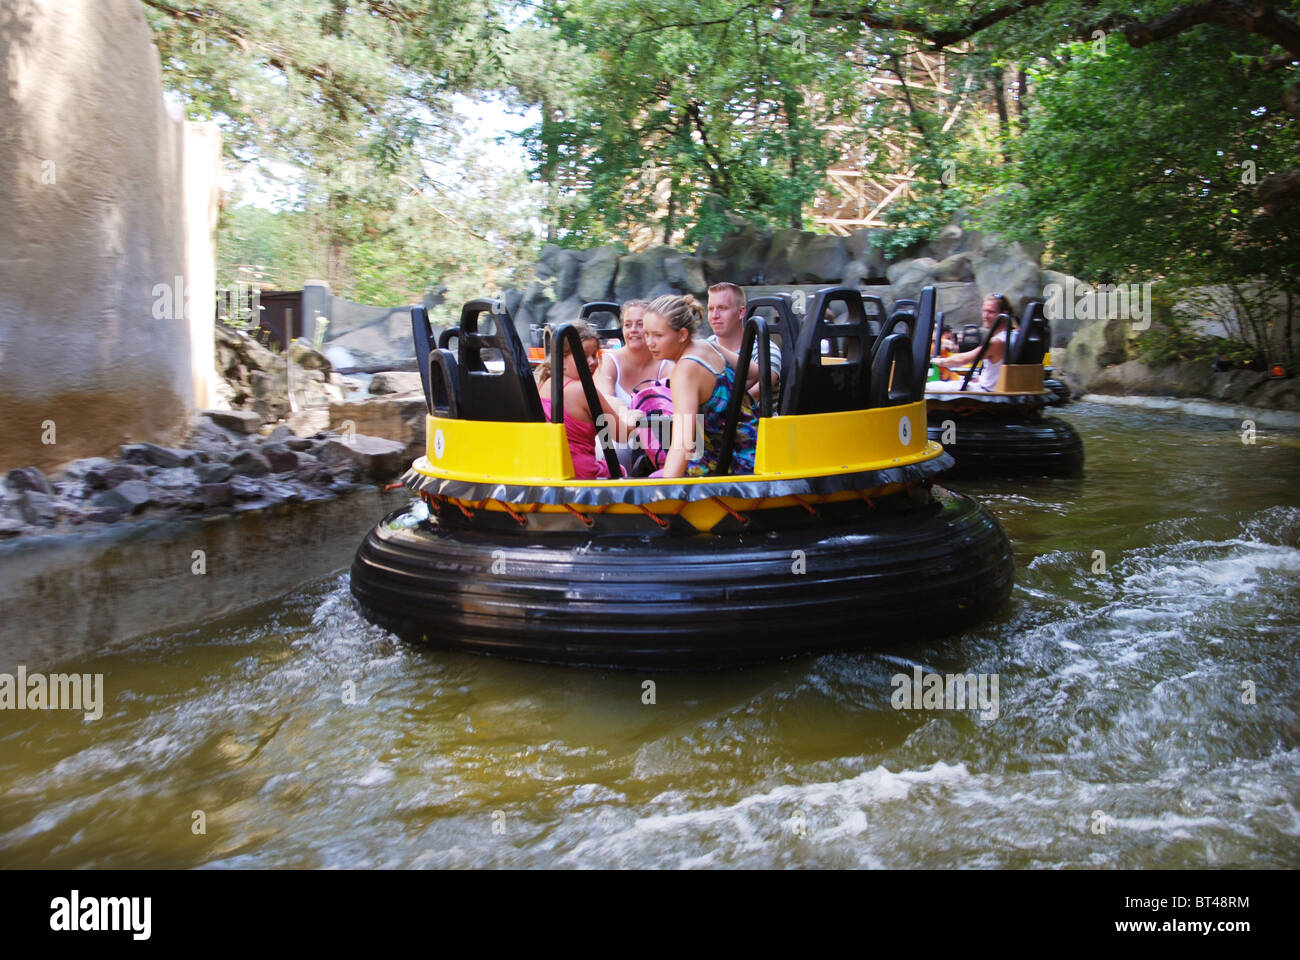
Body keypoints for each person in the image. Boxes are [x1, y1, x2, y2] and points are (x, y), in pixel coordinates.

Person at [642, 294, 760, 478]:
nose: (650, 342)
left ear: (682, 335)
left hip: (731, 466)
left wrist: (665, 493)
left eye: (658, 335)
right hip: (756, 448)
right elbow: (753, 372)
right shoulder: (708, 345)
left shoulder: (684, 372)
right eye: (647, 334)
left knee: (653, 478)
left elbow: (683, 442)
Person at [536, 320, 636, 478]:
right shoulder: (584, 391)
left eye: (594, 355)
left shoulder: (544, 383)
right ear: (562, 360)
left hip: (552, 470)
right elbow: (621, 434)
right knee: (624, 468)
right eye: (583, 356)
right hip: (581, 474)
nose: (592, 362)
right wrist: (633, 418)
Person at [595, 299, 674, 472]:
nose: (633, 330)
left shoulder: (666, 365)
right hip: (619, 432)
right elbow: (604, 397)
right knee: (614, 445)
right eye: (628, 324)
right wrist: (625, 413)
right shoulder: (609, 360)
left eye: (640, 324)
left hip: (655, 436)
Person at [705, 282, 781, 404]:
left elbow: (756, 394)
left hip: (753, 421)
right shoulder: (704, 347)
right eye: (710, 309)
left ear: (741, 312)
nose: (715, 315)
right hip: (710, 419)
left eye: (722, 308)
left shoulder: (765, 349)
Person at [930, 294, 1016, 392]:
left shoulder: (998, 341)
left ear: (1004, 314)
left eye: (991, 312)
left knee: (928, 387)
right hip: (987, 385)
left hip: (986, 392)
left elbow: (964, 359)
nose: (985, 316)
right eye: (984, 311)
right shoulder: (1013, 335)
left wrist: (939, 361)